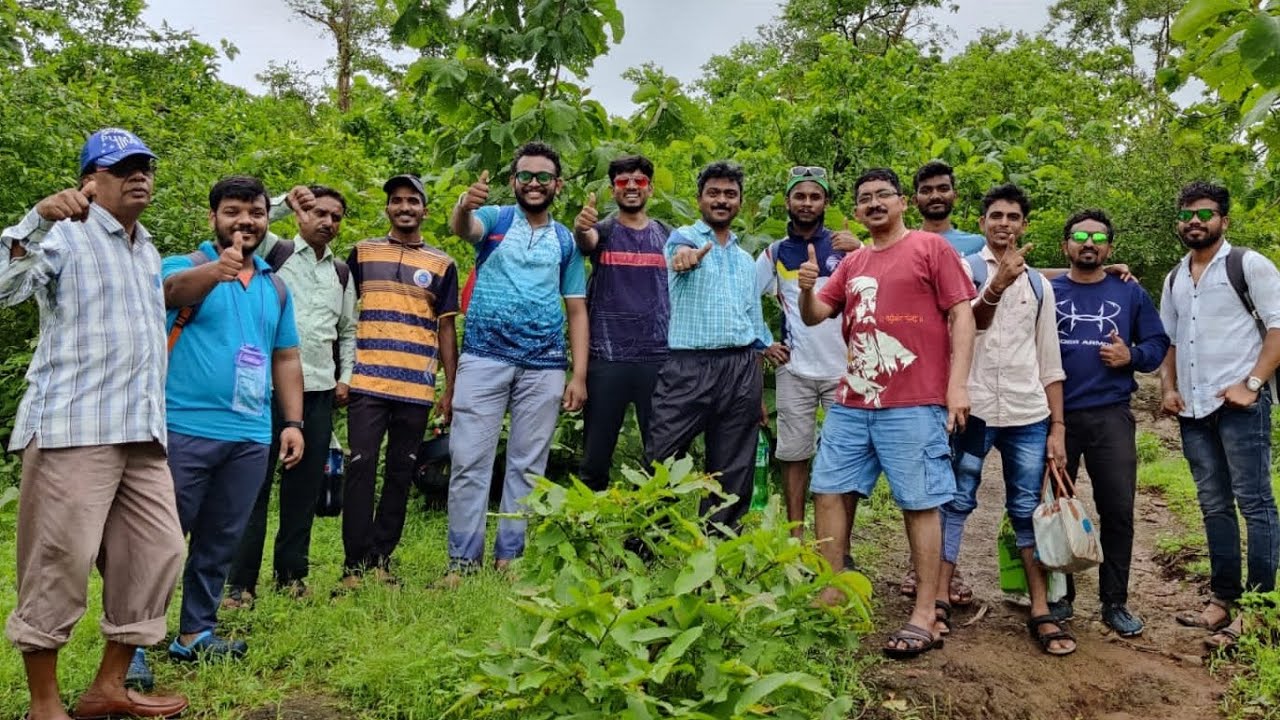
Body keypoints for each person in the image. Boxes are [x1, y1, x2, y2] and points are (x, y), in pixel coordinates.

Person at [0, 129, 189, 720]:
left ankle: (108, 686)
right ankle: (44, 703)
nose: (139, 176)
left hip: (141, 431)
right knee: (59, 561)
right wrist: (32, 220)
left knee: (157, 553)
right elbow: (4, 289)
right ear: (90, 181)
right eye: (122, 167)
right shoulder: (65, 236)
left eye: (145, 167)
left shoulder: (148, 249)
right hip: (72, 427)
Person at [799, 167, 975, 659]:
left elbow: (962, 312)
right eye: (864, 198)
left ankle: (924, 613)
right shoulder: (852, 262)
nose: (874, 203)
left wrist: (957, 385)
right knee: (828, 491)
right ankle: (832, 595)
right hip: (853, 401)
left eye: (883, 196)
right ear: (855, 211)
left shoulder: (930, 248)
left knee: (919, 501)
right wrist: (805, 288)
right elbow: (817, 314)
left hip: (915, 401)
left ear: (901, 203)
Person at [154, 175, 305, 670]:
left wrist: (293, 422)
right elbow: (170, 293)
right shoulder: (187, 266)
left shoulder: (275, 286)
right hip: (184, 428)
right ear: (213, 217)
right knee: (158, 541)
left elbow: (285, 357)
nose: (246, 221)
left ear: (267, 218)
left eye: (256, 212)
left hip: (248, 434)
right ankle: (133, 643)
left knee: (221, 539)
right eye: (234, 211)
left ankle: (195, 632)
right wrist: (217, 271)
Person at [937, 183, 1074, 656]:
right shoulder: (961, 270)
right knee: (955, 502)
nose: (1004, 224)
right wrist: (996, 285)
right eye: (996, 216)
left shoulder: (1040, 284)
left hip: (1026, 412)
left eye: (1013, 217)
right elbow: (965, 326)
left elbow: (1049, 359)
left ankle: (1041, 609)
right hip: (971, 407)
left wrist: (1057, 426)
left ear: (1023, 225)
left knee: (1026, 509)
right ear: (981, 224)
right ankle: (936, 599)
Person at [445, 142, 587, 581]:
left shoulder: (565, 240)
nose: (534, 184)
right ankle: (462, 562)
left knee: (528, 464)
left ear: (557, 185)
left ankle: (511, 557)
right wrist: (464, 205)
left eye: (544, 177)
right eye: (526, 175)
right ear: (514, 181)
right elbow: (463, 229)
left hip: (543, 365)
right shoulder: (497, 219)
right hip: (484, 358)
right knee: (469, 460)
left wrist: (577, 374)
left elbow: (577, 308)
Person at [1161, 181, 1280, 651]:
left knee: (1256, 504)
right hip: (1193, 410)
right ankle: (1223, 599)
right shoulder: (1175, 277)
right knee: (1214, 506)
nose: (1196, 220)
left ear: (1223, 220)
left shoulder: (1248, 265)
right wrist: (1168, 389)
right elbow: (1170, 342)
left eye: (1205, 213)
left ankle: (1260, 607)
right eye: (1188, 213)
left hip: (1241, 407)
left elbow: (1277, 329)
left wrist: (1251, 384)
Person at [226, 184, 357, 605]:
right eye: (318, 212)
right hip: (263, 390)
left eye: (335, 217)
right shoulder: (273, 252)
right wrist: (285, 202)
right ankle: (240, 584)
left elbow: (349, 329)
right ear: (302, 215)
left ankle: (291, 576)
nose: (327, 222)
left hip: (318, 390)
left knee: (302, 490)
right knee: (252, 486)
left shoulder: (340, 272)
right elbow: (246, 229)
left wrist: (347, 376)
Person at [1052, 209, 1169, 637]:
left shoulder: (1130, 294)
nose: (1088, 243)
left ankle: (1114, 601)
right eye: (1079, 236)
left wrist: (1131, 357)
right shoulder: (1047, 289)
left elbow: (1157, 344)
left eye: (1098, 238)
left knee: (1117, 510)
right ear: (1065, 245)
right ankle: (1058, 596)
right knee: (1055, 509)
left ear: (1110, 249)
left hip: (1111, 416)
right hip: (1055, 416)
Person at [340, 174, 460, 588]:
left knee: (400, 473)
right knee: (360, 467)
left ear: (425, 210)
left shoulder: (442, 264)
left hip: (416, 386)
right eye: (396, 201)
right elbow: (341, 315)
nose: (404, 207)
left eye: (412, 201)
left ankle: (380, 560)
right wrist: (341, 372)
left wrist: (451, 386)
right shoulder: (361, 253)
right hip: (367, 381)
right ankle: (352, 567)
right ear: (387, 208)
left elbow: (446, 330)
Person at [645, 161, 772, 531]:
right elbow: (679, 256)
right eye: (713, 193)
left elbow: (753, 321)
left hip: (741, 368)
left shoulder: (745, 260)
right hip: (688, 367)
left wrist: (758, 386)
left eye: (730, 194)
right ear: (699, 199)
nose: (721, 200)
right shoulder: (683, 238)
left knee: (734, 467)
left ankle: (719, 547)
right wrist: (685, 259)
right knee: (662, 458)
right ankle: (647, 545)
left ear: (739, 202)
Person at [754, 166, 859, 540]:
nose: (807, 203)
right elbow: (747, 300)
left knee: (844, 458)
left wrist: (862, 250)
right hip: (795, 368)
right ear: (788, 201)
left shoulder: (847, 248)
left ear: (826, 202)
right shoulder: (775, 252)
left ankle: (838, 542)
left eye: (815, 196)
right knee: (794, 454)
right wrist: (763, 342)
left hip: (845, 371)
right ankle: (795, 539)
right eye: (800, 195)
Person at [572, 154, 670, 490]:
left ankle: (647, 537)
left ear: (650, 189)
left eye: (639, 181)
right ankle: (590, 533)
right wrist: (580, 227)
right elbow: (586, 243)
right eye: (622, 182)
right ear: (613, 190)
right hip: (606, 358)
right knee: (595, 457)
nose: (631, 187)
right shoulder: (604, 231)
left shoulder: (667, 236)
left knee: (660, 457)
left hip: (657, 358)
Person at [913, 160, 984, 255]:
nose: (935, 196)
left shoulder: (978, 245)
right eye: (926, 191)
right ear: (915, 200)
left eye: (943, 189)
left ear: (955, 196)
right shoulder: (904, 246)